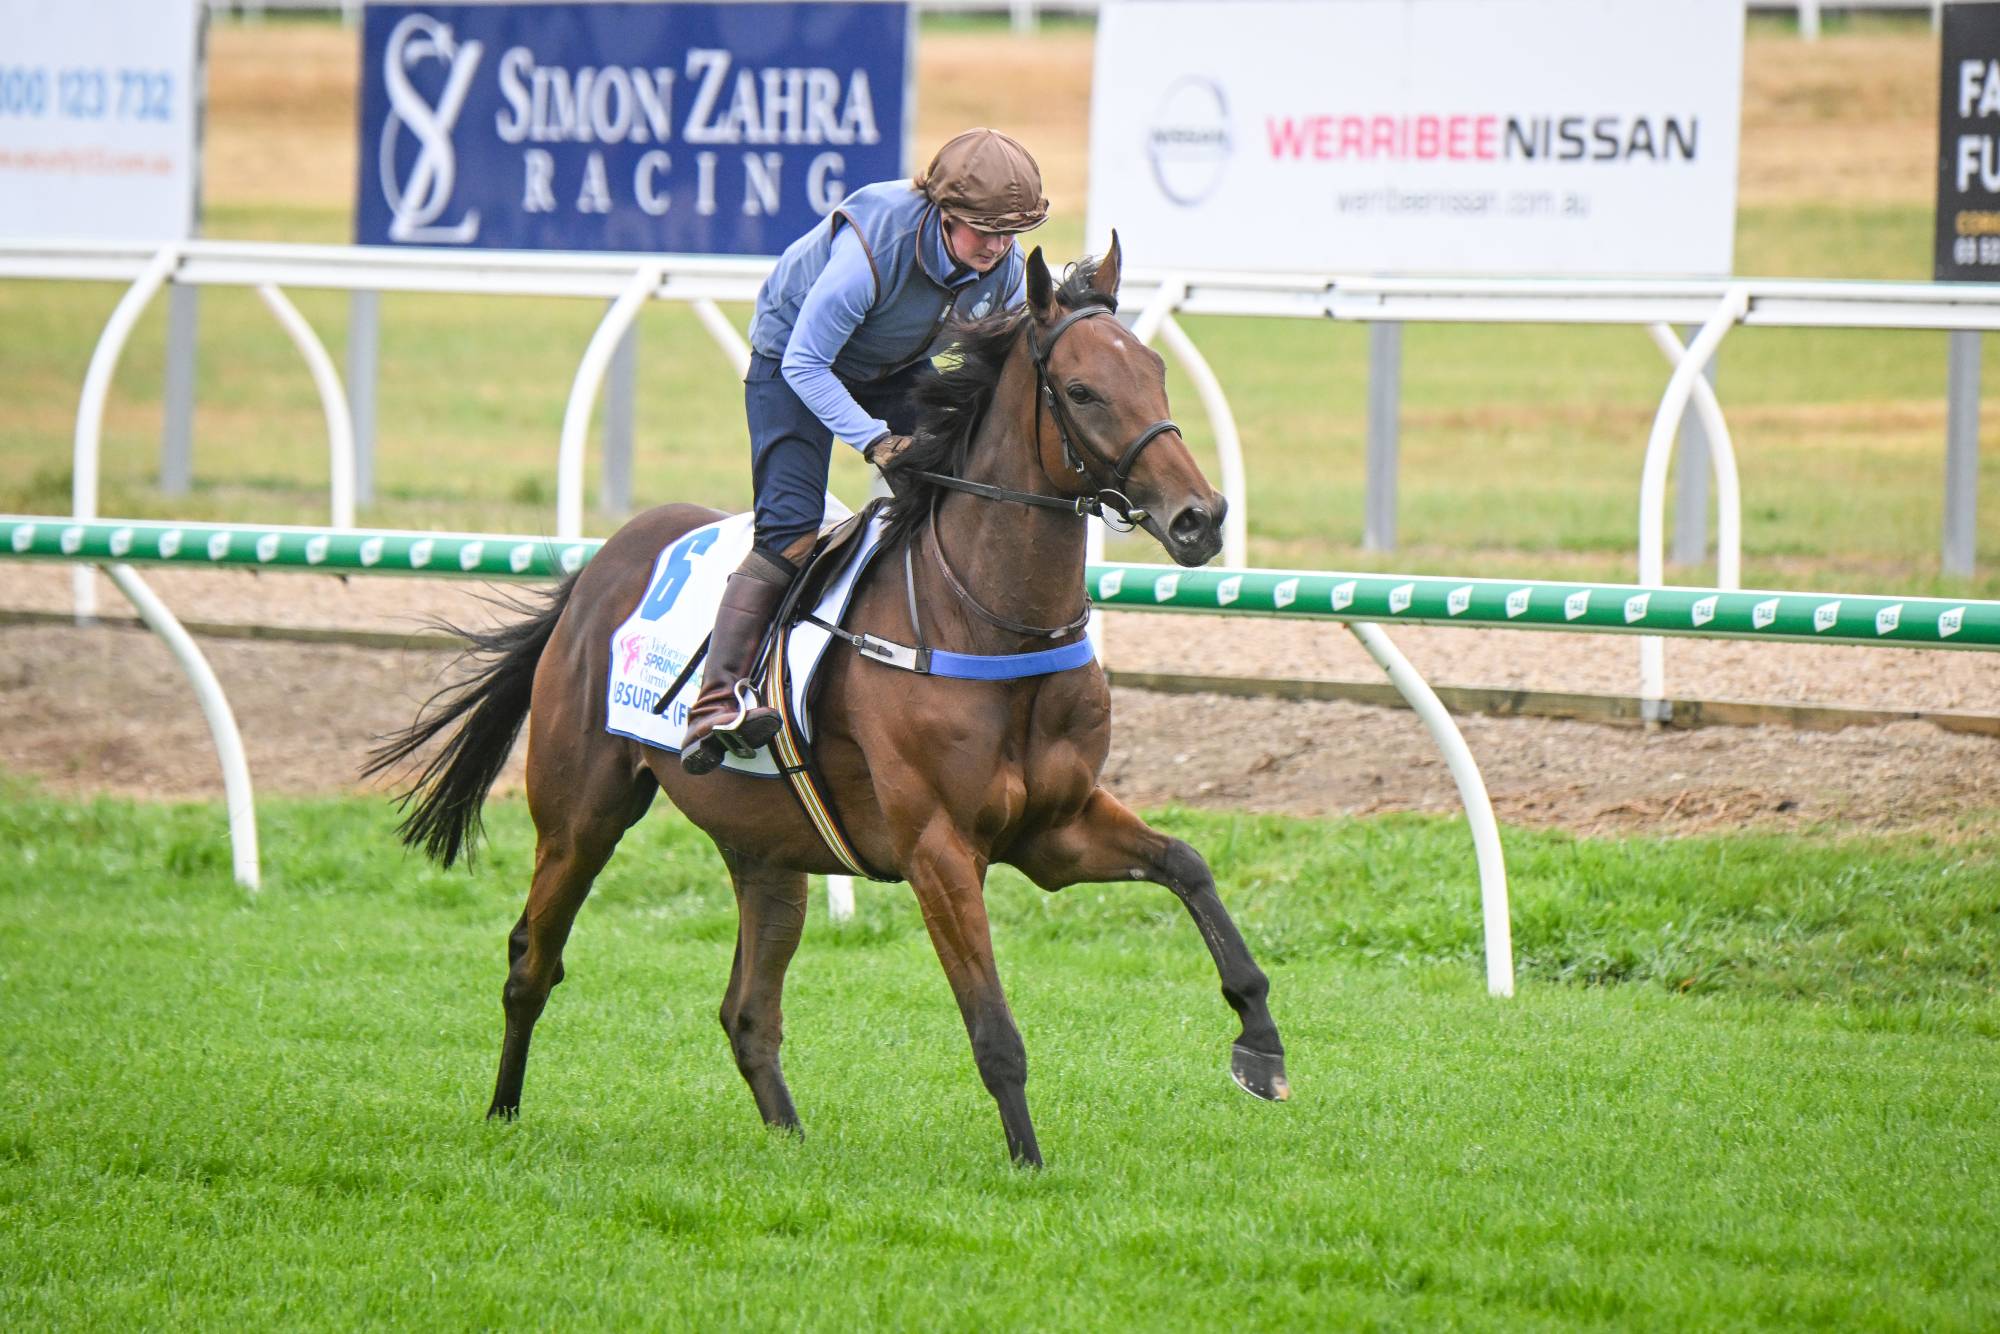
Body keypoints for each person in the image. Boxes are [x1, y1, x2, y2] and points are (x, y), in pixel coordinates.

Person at [679, 128, 1049, 776]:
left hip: (897, 363)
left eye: (1008, 233)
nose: (996, 247)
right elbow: (806, 363)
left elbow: (1006, 361)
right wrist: (877, 440)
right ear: (941, 212)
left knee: (956, 500)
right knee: (791, 530)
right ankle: (716, 702)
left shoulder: (1006, 266)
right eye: (981, 231)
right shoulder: (870, 250)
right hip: (794, 359)